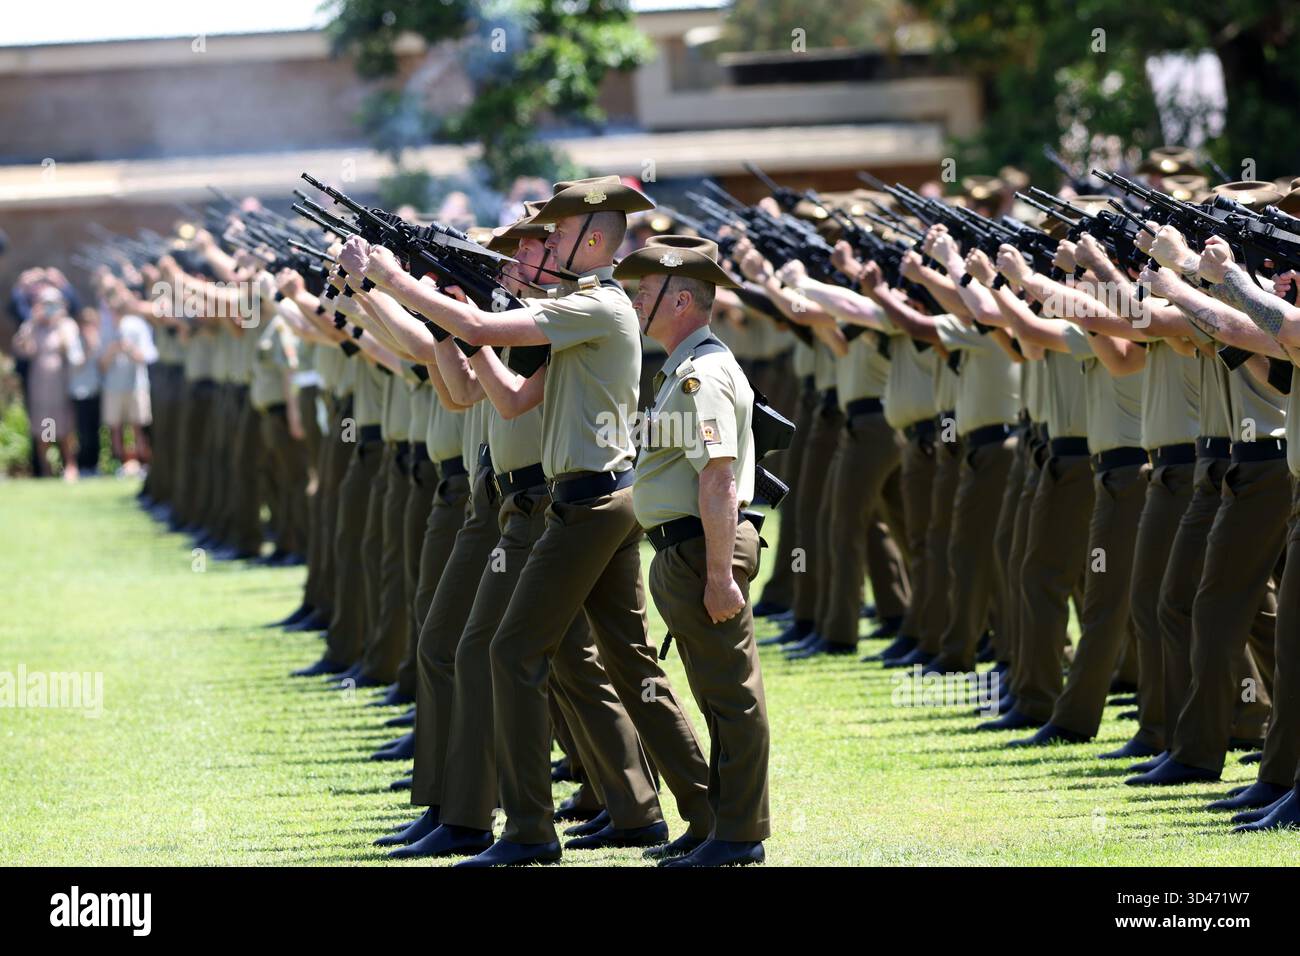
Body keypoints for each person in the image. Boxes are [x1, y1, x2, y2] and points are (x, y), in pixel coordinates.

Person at [352, 175, 714, 866]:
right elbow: (509, 397)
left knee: (509, 653)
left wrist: (399, 282)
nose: (538, 246)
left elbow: (485, 333)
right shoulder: (583, 310)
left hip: (586, 502)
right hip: (587, 498)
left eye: (554, 235)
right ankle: (701, 808)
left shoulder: (599, 305)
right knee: (624, 661)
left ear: (594, 240)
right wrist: (447, 314)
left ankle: (528, 831)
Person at [617, 234, 771, 866]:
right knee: (715, 693)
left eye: (645, 294)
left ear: (683, 300)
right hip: (686, 546)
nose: (634, 303)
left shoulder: (700, 373)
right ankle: (721, 828)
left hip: (701, 545)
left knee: (731, 693)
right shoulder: (684, 368)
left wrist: (717, 574)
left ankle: (739, 836)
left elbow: (718, 477)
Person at [12, 287, 82, 479]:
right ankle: (46, 470)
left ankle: (70, 465)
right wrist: (32, 322)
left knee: (64, 426)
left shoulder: (66, 325)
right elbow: (22, 350)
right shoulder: (33, 326)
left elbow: (71, 351)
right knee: (44, 427)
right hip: (40, 384)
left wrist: (57, 323)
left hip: (61, 384)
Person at [99, 284, 157, 476]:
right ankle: (122, 463)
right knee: (115, 427)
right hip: (113, 386)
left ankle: (142, 463)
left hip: (136, 385)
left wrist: (130, 349)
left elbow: (148, 356)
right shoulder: (106, 328)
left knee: (138, 426)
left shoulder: (137, 324)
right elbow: (102, 365)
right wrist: (113, 350)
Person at [69, 306, 103, 475]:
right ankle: (83, 465)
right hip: (80, 393)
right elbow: (76, 364)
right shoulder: (75, 341)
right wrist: (89, 348)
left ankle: (94, 465)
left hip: (96, 391)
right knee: (83, 432)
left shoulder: (100, 340)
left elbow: (103, 366)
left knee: (95, 431)